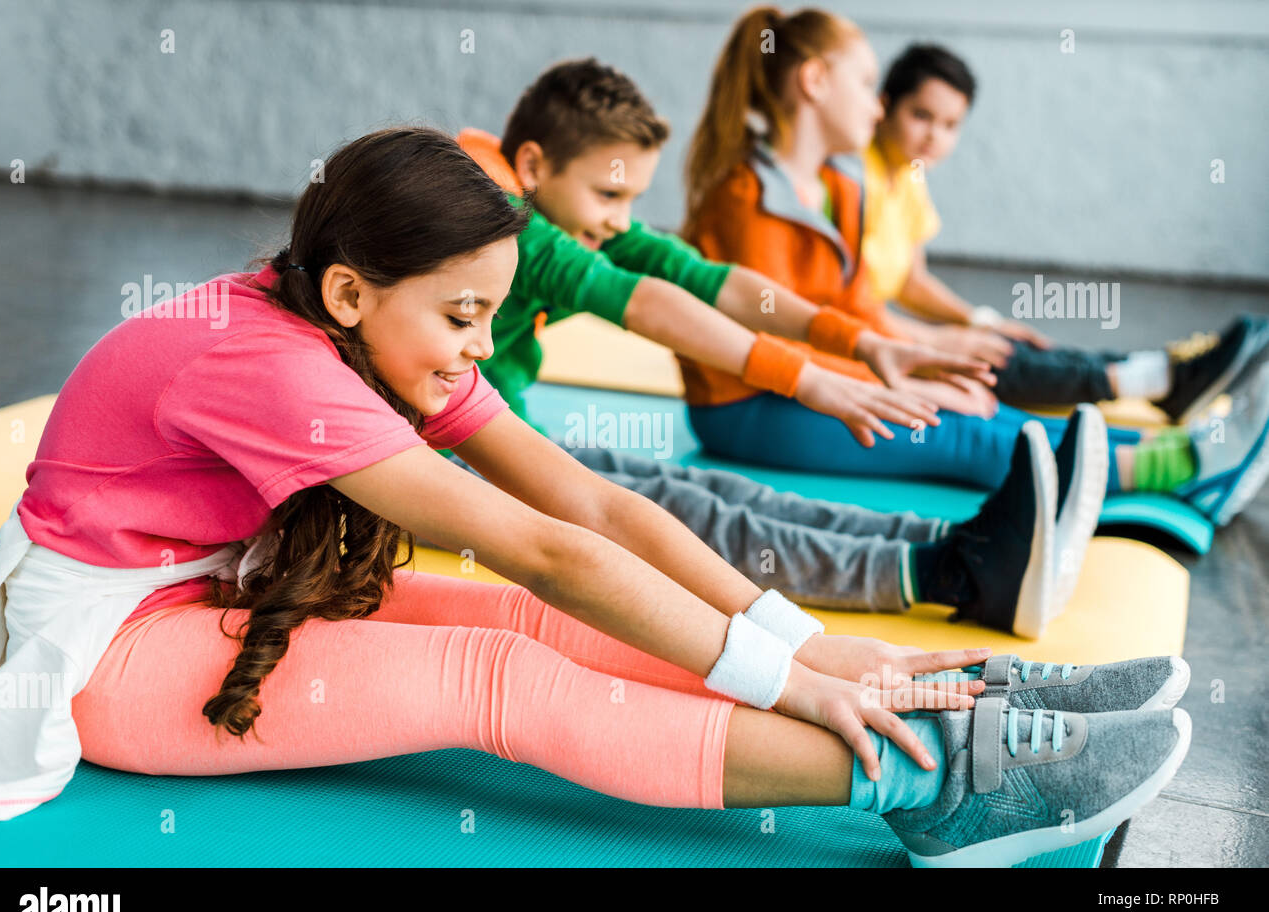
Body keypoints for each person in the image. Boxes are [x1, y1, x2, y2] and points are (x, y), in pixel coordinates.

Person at [0, 128, 1191, 868]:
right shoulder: (274, 364)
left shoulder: (371, 327)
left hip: (195, 586)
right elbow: (537, 547)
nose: (476, 346)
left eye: (490, 314)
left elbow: (591, 511)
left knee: (530, 626)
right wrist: (780, 683)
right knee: (500, 679)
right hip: (107, 653)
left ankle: (928, 692)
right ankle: (932, 780)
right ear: (349, 293)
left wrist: (815, 655)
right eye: (462, 317)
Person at [455, 57, 1108, 637]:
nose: (621, 220)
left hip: (495, 432)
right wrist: (803, 378)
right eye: (609, 194)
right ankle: (949, 575)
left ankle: (967, 542)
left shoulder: (566, 213)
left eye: (632, 198)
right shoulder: (504, 228)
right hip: (448, 463)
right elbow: (643, 302)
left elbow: (706, 280)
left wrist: (860, 341)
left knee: (702, 487)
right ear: (536, 166)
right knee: (682, 514)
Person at [678, 5, 1269, 530]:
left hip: (814, 381)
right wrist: (896, 383)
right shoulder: (745, 200)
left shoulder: (837, 186)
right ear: (814, 82)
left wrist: (919, 364)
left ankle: (1181, 450)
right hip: (746, 405)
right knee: (955, 431)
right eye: (865, 83)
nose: (877, 101)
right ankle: (1182, 471)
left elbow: (855, 308)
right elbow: (766, 343)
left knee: (990, 407)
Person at [860, 42, 1269, 417]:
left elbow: (911, 282)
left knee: (1007, 343)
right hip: (861, 339)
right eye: (920, 116)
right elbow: (844, 302)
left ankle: (1157, 371)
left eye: (950, 125)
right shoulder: (857, 177)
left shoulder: (909, 175)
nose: (934, 136)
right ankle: (1156, 379)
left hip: (881, 329)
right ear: (884, 105)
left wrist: (981, 320)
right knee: (987, 360)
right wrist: (936, 340)